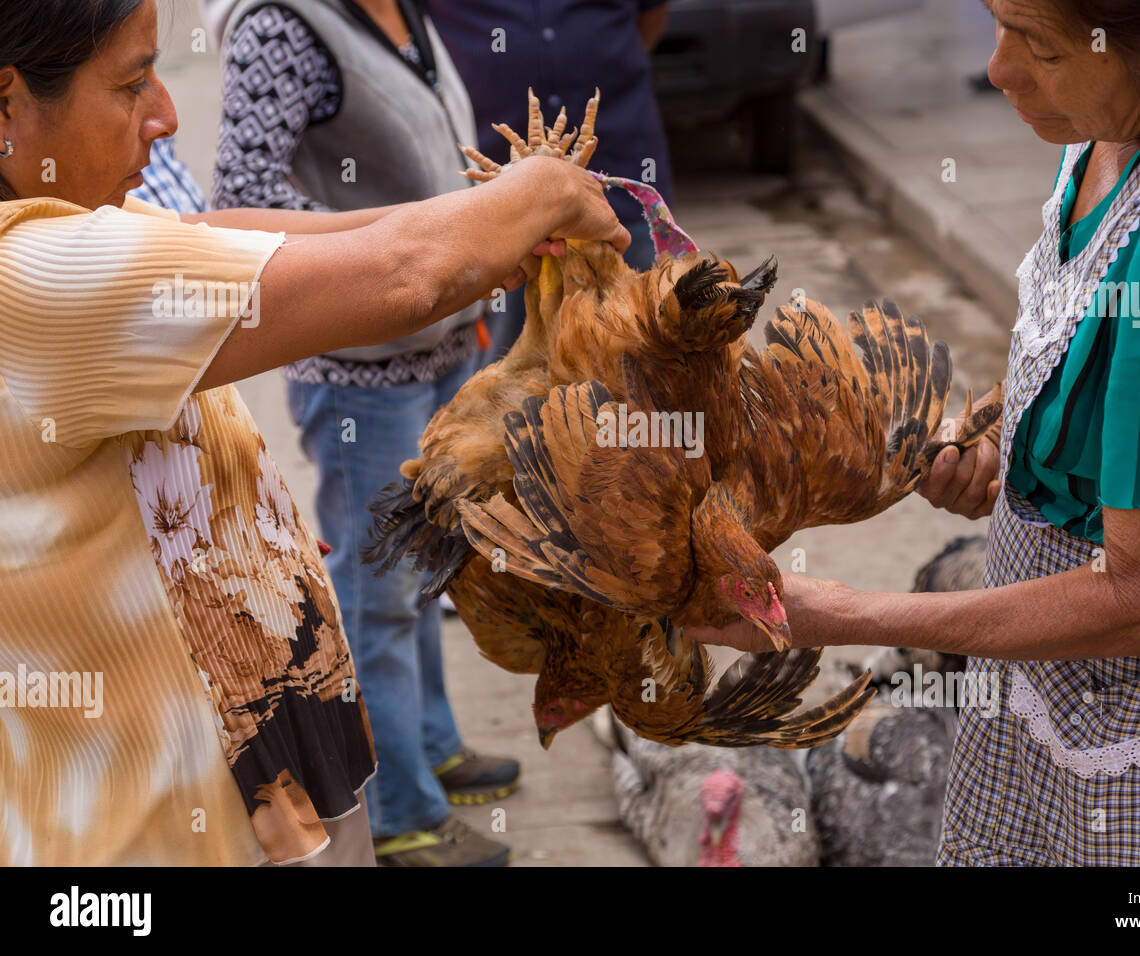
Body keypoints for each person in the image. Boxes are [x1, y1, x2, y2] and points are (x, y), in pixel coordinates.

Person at [0, 0, 628, 867]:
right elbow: (401, 275)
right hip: (152, 838)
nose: (167, 114)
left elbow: (234, 234)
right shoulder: (32, 277)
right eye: (132, 82)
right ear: (7, 108)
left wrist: (482, 231)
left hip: (261, 779)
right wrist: (543, 190)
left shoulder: (75, 230)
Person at [691, 0, 1140, 866]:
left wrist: (832, 613)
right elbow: (1108, 356)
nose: (999, 69)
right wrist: (1008, 432)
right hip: (1061, 701)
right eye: (998, 23)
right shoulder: (1121, 116)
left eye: (1040, 47)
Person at [209, 0, 526, 868]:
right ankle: (397, 813)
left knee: (425, 564)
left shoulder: (405, 12)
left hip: (440, 345)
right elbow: (240, 198)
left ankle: (428, 742)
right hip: (359, 369)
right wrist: (400, 254)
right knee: (373, 592)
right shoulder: (283, 26)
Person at [425, 0, 673, 363]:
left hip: (621, 171)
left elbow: (652, 16)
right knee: (505, 369)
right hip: (496, 190)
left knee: (646, 349)